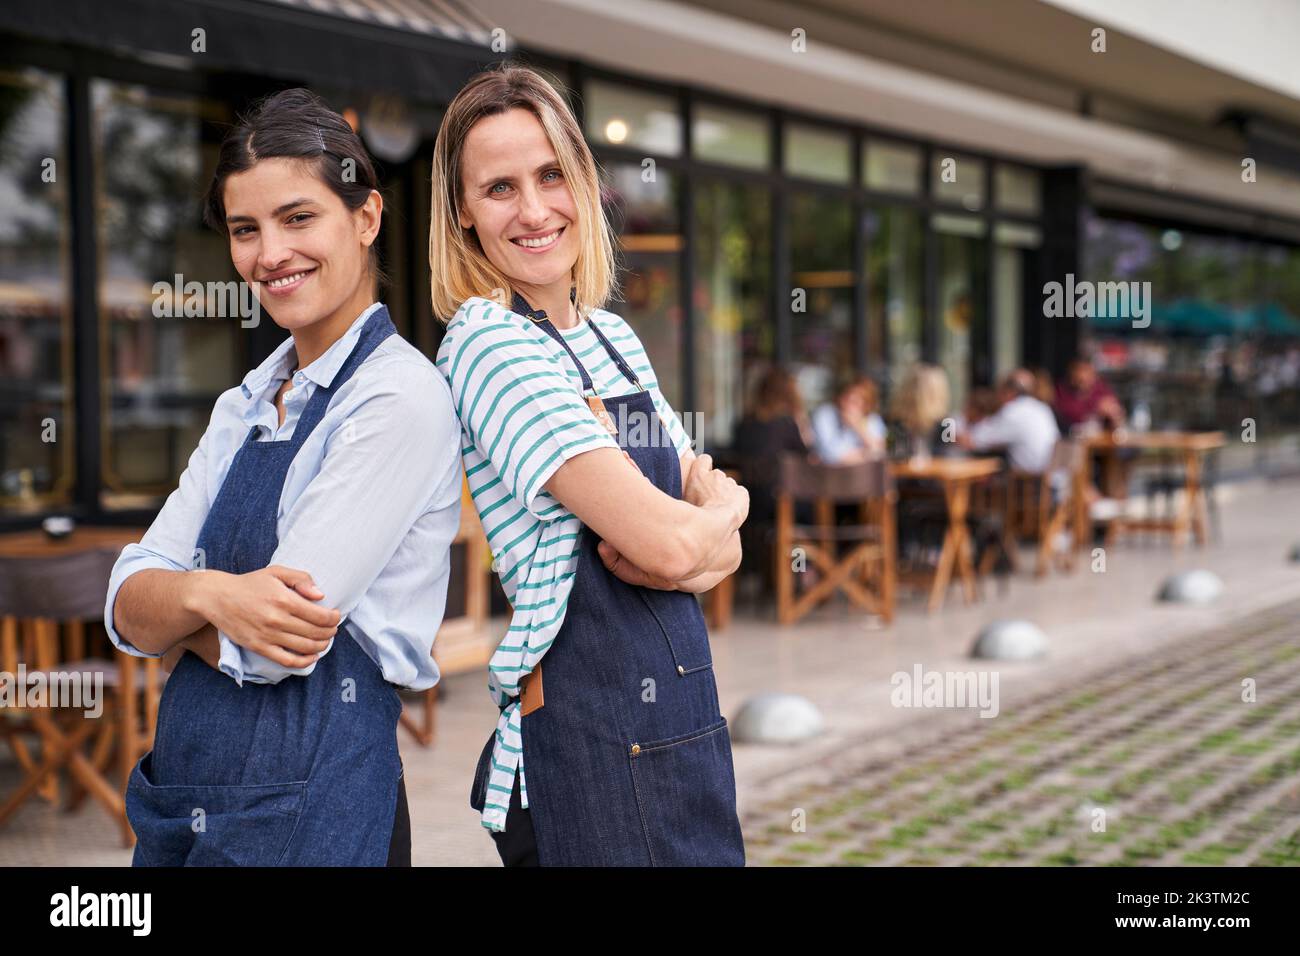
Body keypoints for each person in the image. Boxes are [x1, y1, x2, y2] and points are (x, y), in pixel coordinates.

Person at [103, 89, 463, 866]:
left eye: (298, 218)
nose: (270, 254)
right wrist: (213, 596)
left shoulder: (398, 396)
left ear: (365, 219)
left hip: (314, 795)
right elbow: (126, 606)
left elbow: (275, 648)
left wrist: (176, 601)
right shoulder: (246, 401)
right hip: (187, 786)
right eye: (245, 230)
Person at [430, 64, 748, 866]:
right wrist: (714, 514)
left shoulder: (613, 338)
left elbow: (716, 557)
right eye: (499, 188)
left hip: (682, 728)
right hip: (586, 747)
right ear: (463, 213)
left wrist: (710, 526)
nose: (534, 210)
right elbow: (679, 549)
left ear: (583, 183)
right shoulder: (489, 343)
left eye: (549, 176)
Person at [959, 368, 1060, 473]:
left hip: (1030, 482)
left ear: (1009, 392)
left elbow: (971, 441)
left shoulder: (1013, 411)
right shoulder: (1042, 408)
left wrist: (948, 432)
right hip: (1053, 479)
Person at [811, 376, 887, 463]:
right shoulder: (825, 414)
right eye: (847, 396)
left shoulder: (873, 419)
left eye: (857, 399)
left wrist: (858, 427)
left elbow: (880, 454)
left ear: (867, 403)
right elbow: (830, 456)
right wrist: (865, 455)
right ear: (840, 397)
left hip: (862, 474)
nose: (849, 403)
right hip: (829, 474)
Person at [1055, 356, 1125, 431]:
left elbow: (1118, 415)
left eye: (1087, 372)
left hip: (1099, 438)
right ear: (1071, 375)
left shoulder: (1101, 389)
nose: (1083, 377)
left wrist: (1115, 415)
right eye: (1079, 373)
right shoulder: (1061, 391)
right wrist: (1096, 411)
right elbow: (1067, 417)